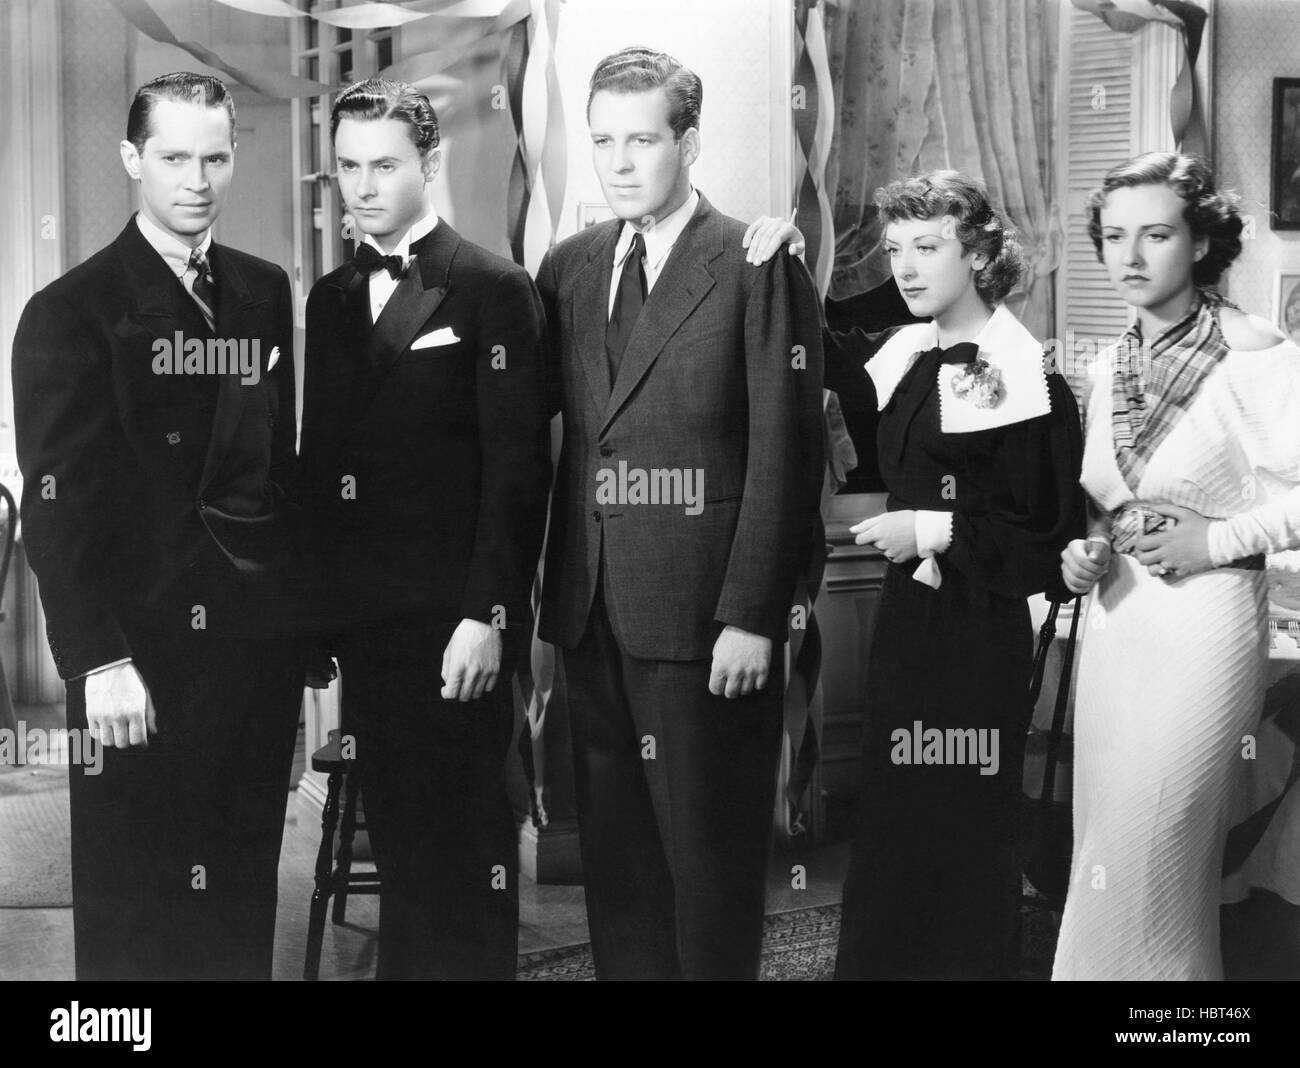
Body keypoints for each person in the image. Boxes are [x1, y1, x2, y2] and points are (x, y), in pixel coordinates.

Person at [535, 47, 825, 980]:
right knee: (618, 870)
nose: (618, 162)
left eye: (643, 140)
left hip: (706, 620)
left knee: (709, 868)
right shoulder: (569, 266)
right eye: (602, 142)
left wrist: (752, 613)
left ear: (689, 143)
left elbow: (788, 453)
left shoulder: (753, 262)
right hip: (590, 611)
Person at [751, 171, 1084, 978]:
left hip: (978, 631)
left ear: (975, 253)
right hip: (910, 621)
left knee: (962, 823)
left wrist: (931, 526)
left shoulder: (1028, 376)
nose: (904, 265)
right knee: (897, 820)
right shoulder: (908, 349)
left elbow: (1047, 538)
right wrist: (791, 258)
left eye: (927, 246)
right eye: (895, 248)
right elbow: (823, 362)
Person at [11, 73, 306, 980]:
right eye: (174, 157)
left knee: (241, 894)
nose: (198, 179)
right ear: (132, 160)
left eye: (215, 157)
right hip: (133, 661)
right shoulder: (70, 311)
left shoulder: (263, 292)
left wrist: (295, 632)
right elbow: (57, 509)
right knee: (136, 908)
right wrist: (97, 660)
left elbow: (277, 479)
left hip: (251, 653)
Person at [296, 78, 551, 980]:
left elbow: (518, 470)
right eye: (349, 167)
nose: (364, 185)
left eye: (385, 165)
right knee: (403, 844)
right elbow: (319, 467)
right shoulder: (329, 299)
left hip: (457, 624)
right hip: (370, 628)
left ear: (430, 163)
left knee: (468, 847)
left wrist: (487, 611)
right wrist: (317, 617)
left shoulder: (491, 287)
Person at [1055, 152, 1300, 981]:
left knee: (1159, 842)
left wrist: (1214, 541)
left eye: (1156, 234)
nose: (1130, 255)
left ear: (1199, 243)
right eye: (1114, 236)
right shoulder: (1108, 361)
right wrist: (1083, 550)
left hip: (1207, 622)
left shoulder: (1254, 349)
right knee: (1105, 838)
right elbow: (1106, 500)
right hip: (1119, 621)